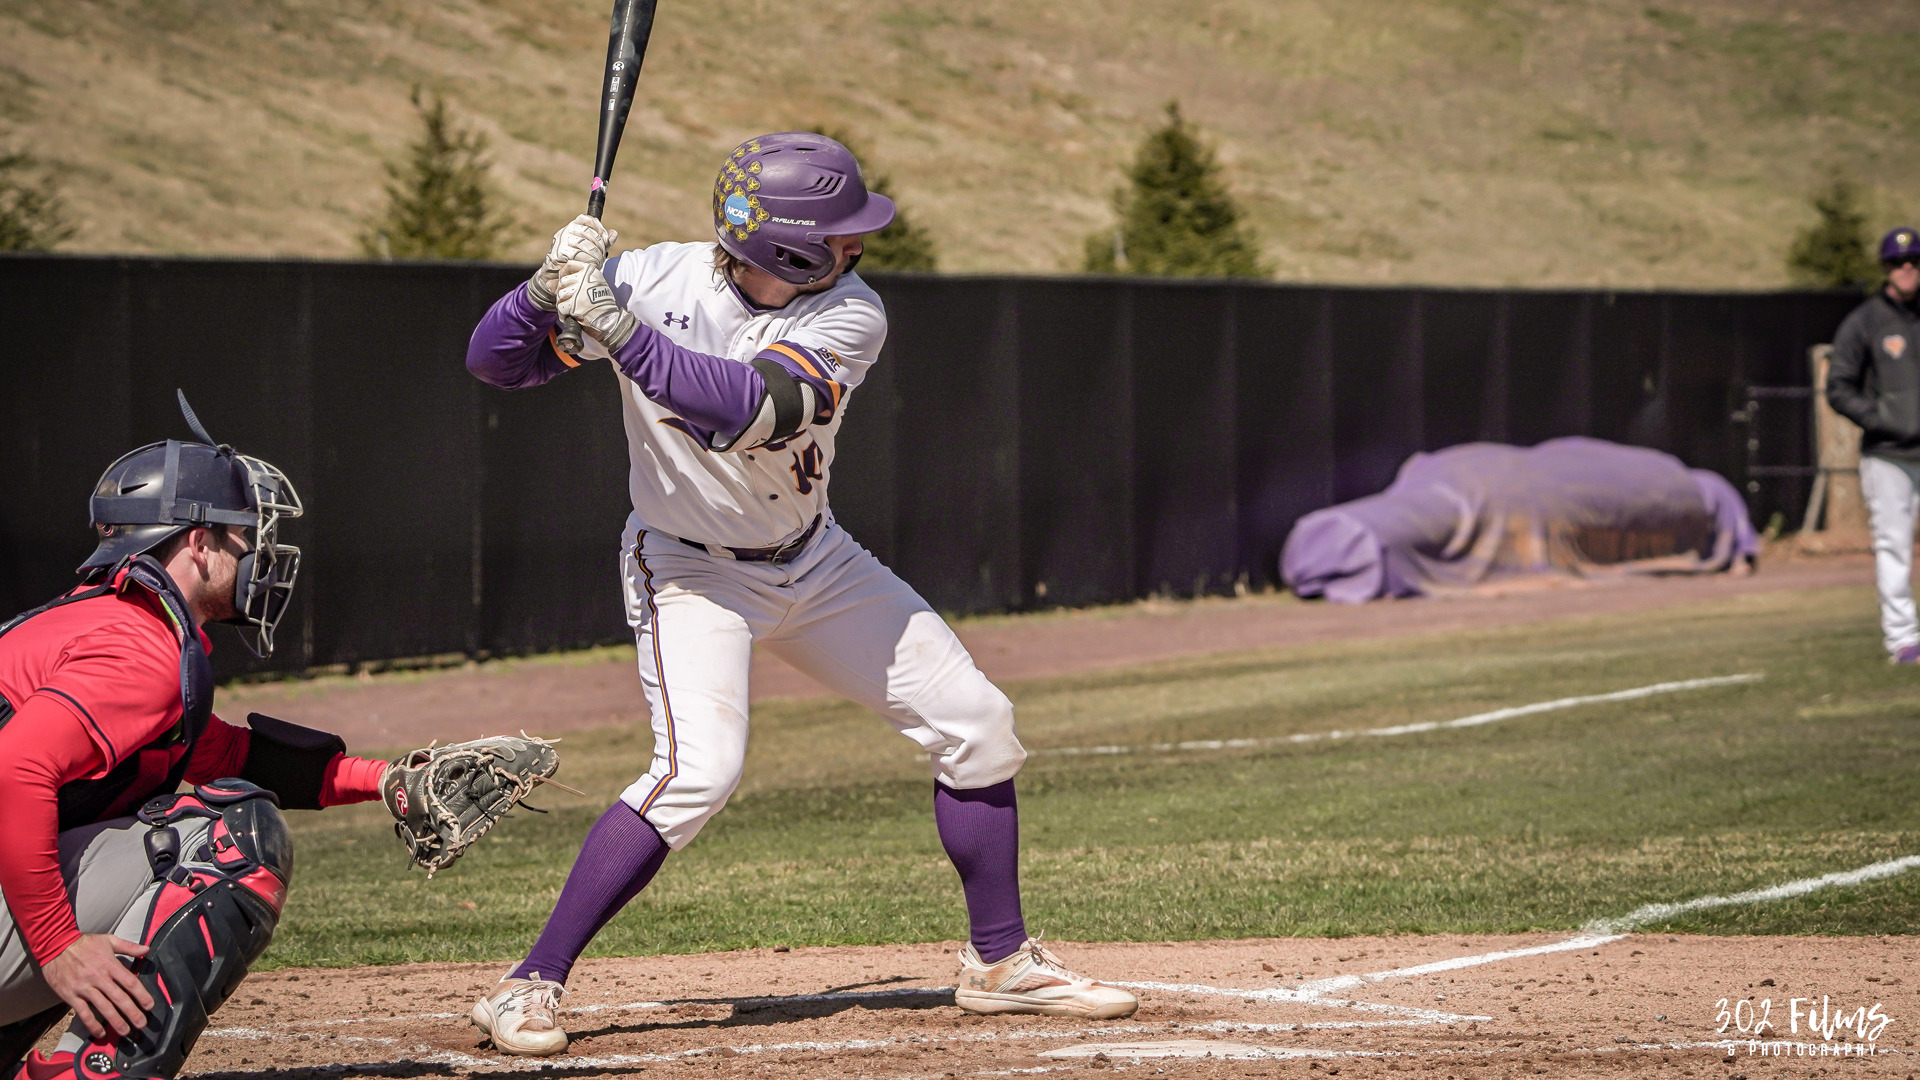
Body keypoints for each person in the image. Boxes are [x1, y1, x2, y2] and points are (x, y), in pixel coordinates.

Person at [463, 132, 1136, 1057]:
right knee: (697, 771)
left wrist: (618, 331)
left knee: (977, 723)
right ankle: (527, 986)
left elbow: (751, 411)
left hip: (814, 559)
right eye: (842, 234)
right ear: (790, 247)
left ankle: (999, 963)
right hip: (690, 568)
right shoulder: (651, 279)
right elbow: (498, 363)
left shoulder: (851, 313)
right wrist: (540, 292)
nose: (859, 247)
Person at [0, 408, 395, 1080]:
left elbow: (223, 754)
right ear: (199, 543)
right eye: (243, 536)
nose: (255, 554)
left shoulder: (106, 623)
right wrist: (59, 945)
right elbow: (14, 770)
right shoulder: (137, 648)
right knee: (233, 836)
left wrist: (390, 781)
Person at [1827, 226, 1920, 665]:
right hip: (1888, 456)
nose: (1907, 268)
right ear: (1885, 267)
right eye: (1898, 262)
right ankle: (1903, 639)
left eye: (1914, 261)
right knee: (1894, 544)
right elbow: (1839, 386)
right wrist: (1882, 420)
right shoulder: (1865, 322)